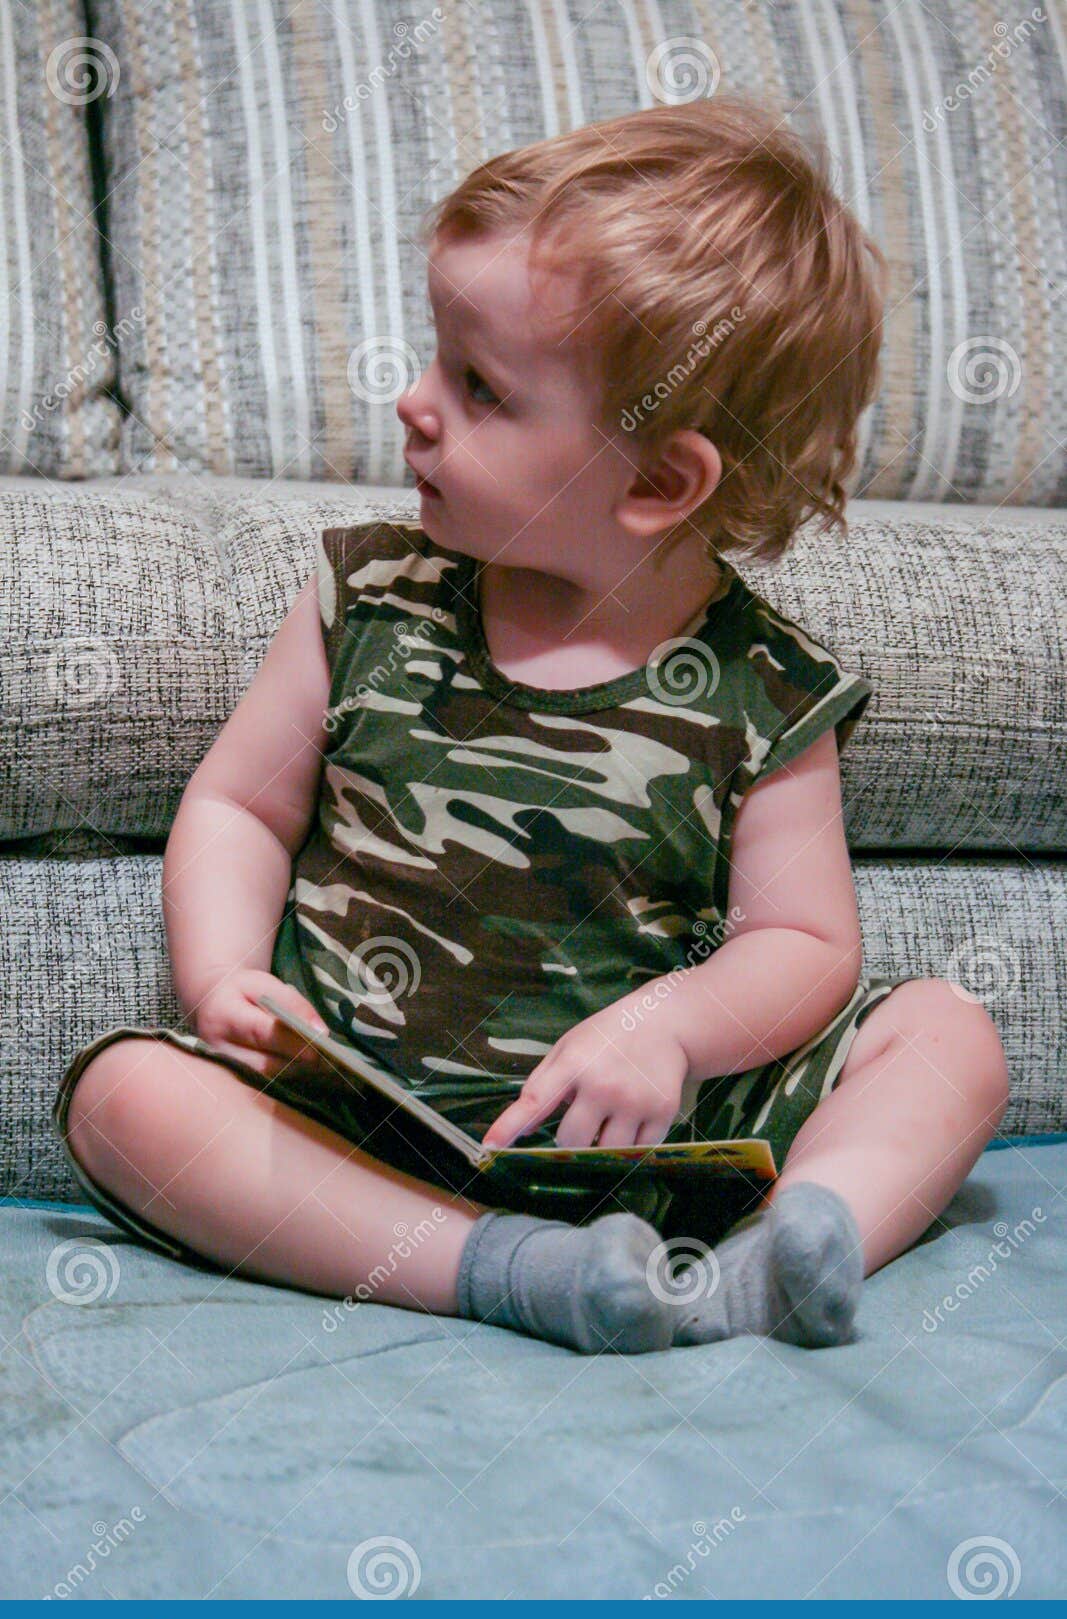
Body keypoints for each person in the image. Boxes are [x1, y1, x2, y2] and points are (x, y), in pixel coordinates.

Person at [54, 96, 1010, 1356]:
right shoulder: (369, 602)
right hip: (360, 1119)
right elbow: (239, 803)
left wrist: (666, 1025)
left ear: (659, 481)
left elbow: (802, 941)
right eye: (433, 355)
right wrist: (221, 969)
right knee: (123, 1096)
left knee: (949, 1036)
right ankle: (509, 1273)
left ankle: (801, 1235)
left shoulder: (762, 688)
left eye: (479, 385)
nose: (411, 401)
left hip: (647, 1136)